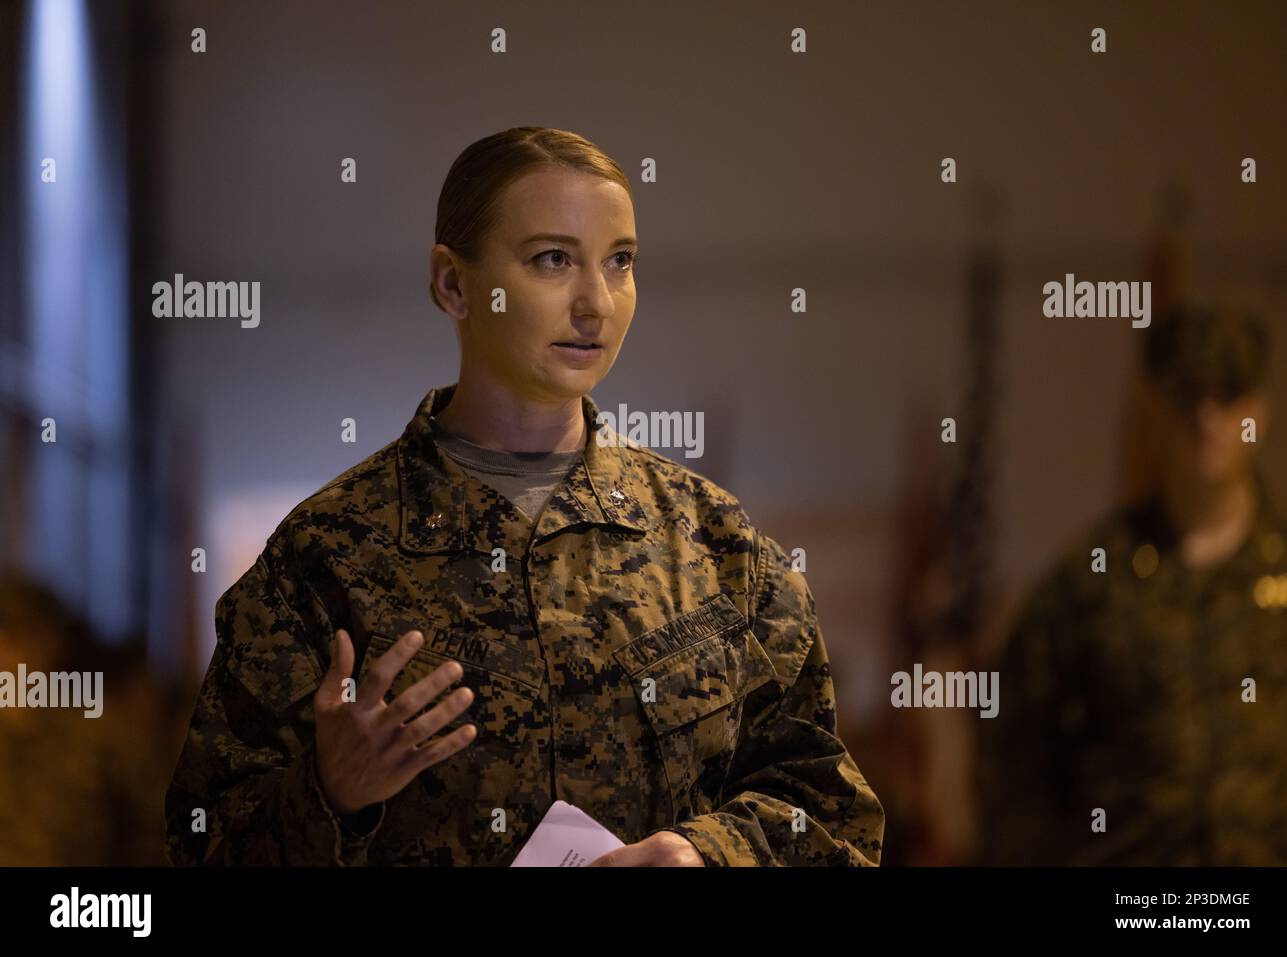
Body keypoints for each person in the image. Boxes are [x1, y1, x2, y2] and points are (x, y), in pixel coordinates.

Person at [163, 127, 885, 866]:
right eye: (552, 260)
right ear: (453, 283)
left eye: (621, 262)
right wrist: (331, 794)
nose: (596, 302)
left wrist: (705, 855)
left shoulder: (716, 546)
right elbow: (203, 842)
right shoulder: (322, 561)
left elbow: (828, 814)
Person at [977, 302, 1287, 865]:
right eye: (1188, 396)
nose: (1207, 418)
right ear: (1155, 409)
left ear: (1259, 412)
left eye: (1227, 395)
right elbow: (1012, 746)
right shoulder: (1094, 579)